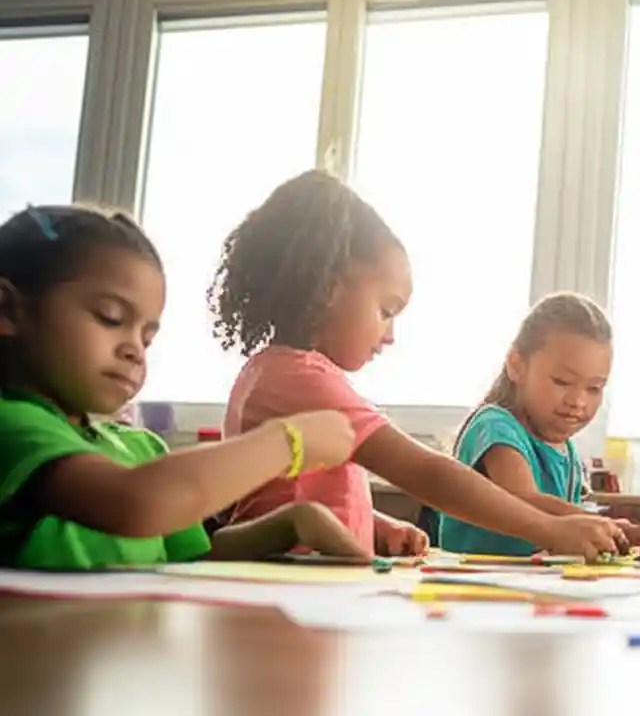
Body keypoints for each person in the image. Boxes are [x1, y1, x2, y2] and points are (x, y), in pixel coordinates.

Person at [210, 171, 627, 560]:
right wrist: (552, 530)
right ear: (327, 290)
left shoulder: (272, 371)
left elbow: (289, 494)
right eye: (386, 310)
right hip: (286, 595)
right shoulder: (299, 378)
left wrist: (374, 525)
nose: (389, 335)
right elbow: (427, 473)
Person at [0, 205, 367, 569]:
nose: (134, 351)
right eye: (110, 318)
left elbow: (193, 556)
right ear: (8, 310)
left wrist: (289, 523)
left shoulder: (138, 447)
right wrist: (289, 441)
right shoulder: (12, 424)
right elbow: (134, 502)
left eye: (147, 338)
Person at [439, 292, 640, 554]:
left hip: (534, 586)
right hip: (476, 587)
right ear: (517, 366)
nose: (578, 401)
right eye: (562, 382)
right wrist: (610, 527)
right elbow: (521, 499)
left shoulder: (566, 450)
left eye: (594, 388)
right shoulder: (495, 426)